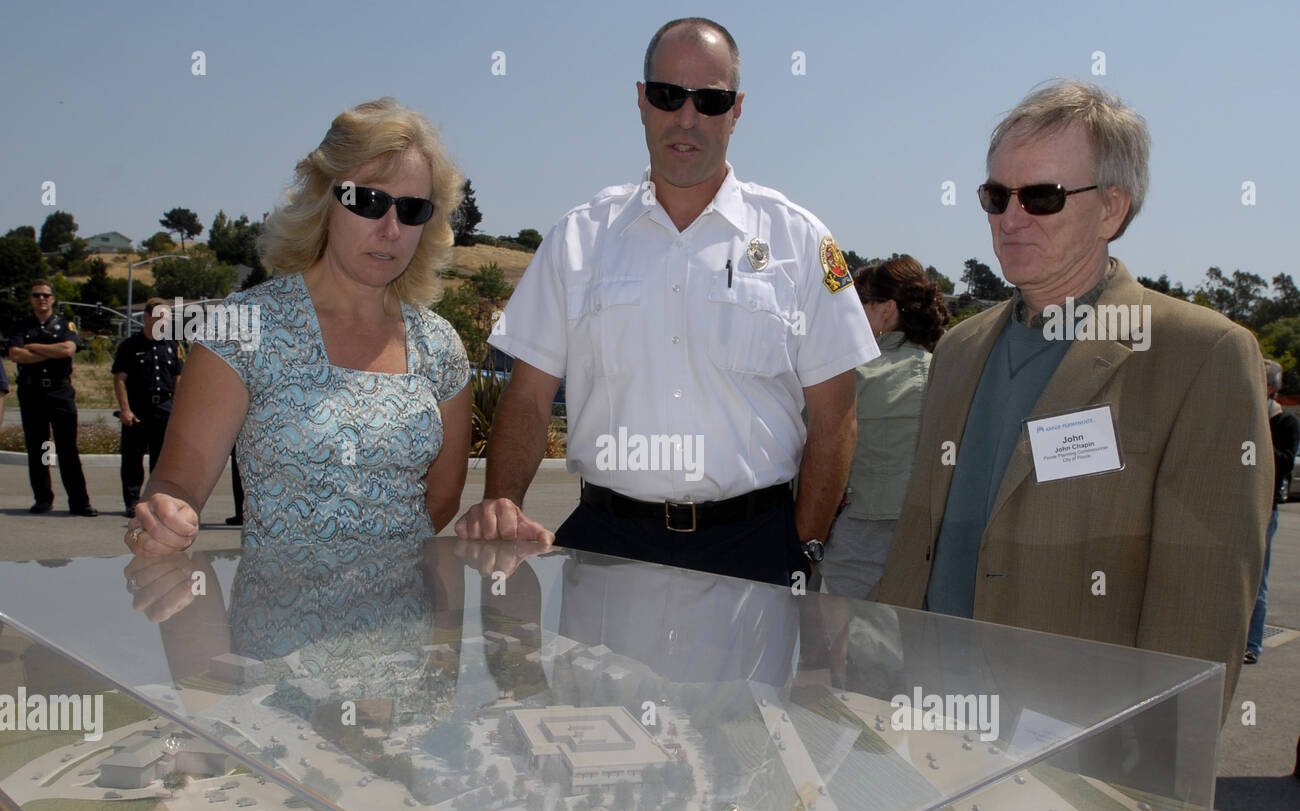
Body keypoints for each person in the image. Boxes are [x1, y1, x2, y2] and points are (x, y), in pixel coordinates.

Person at [873, 80, 1271, 720]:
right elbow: (918, 538)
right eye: (995, 196)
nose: (1009, 218)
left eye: (1041, 197)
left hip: (1075, 733)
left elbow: (1202, 597)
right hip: (930, 711)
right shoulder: (958, 351)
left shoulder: (1200, 355)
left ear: (1112, 209)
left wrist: (1154, 776)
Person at [456, 18, 876, 587]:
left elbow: (836, 417)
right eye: (667, 95)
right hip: (606, 549)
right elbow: (529, 400)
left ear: (737, 109)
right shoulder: (577, 239)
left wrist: (803, 548)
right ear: (641, 101)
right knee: (594, 684)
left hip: (756, 553)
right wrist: (502, 502)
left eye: (710, 100)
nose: (687, 118)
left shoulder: (801, 242)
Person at [125, 97, 471, 556]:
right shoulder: (241, 328)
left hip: (405, 619)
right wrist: (164, 515)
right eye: (368, 200)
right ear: (324, 200)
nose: (391, 229)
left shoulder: (440, 345)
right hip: (276, 620)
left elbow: (442, 500)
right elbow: (177, 482)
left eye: (412, 210)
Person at [820, 257, 948, 598]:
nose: (850, 313)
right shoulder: (948, 372)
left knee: (843, 644)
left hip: (859, 542)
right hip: (930, 542)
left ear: (887, 309)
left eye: (859, 302)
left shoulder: (851, 375)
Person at [6, 279, 97, 516]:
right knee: (39, 449)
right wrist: (50, 352)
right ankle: (43, 498)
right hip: (32, 392)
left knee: (67, 449)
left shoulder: (65, 325)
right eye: (36, 295)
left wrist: (34, 348)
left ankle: (79, 502)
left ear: (53, 299)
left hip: (59, 392)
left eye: (45, 295)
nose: (41, 299)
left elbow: (68, 349)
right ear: (31, 299)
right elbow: (16, 354)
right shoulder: (21, 326)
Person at [1244, 359, 1299, 664]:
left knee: (1257, 576)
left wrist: (1257, 433)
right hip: (1237, 505)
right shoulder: (1243, 414)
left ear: (1270, 388)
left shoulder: (1284, 422)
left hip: (1265, 506)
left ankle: (1252, 643)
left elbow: (1285, 462)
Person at [113, 297, 184, 517]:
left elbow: (178, 380)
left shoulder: (172, 346)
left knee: (161, 460)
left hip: (164, 407)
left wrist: (178, 411)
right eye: (158, 317)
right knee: (132, 459)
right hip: (138, 408)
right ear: (146, 318)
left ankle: (156, 500)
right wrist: (125, 409)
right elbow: (119, 379)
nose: (163, 322)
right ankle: (132, 501)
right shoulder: (130, 346)